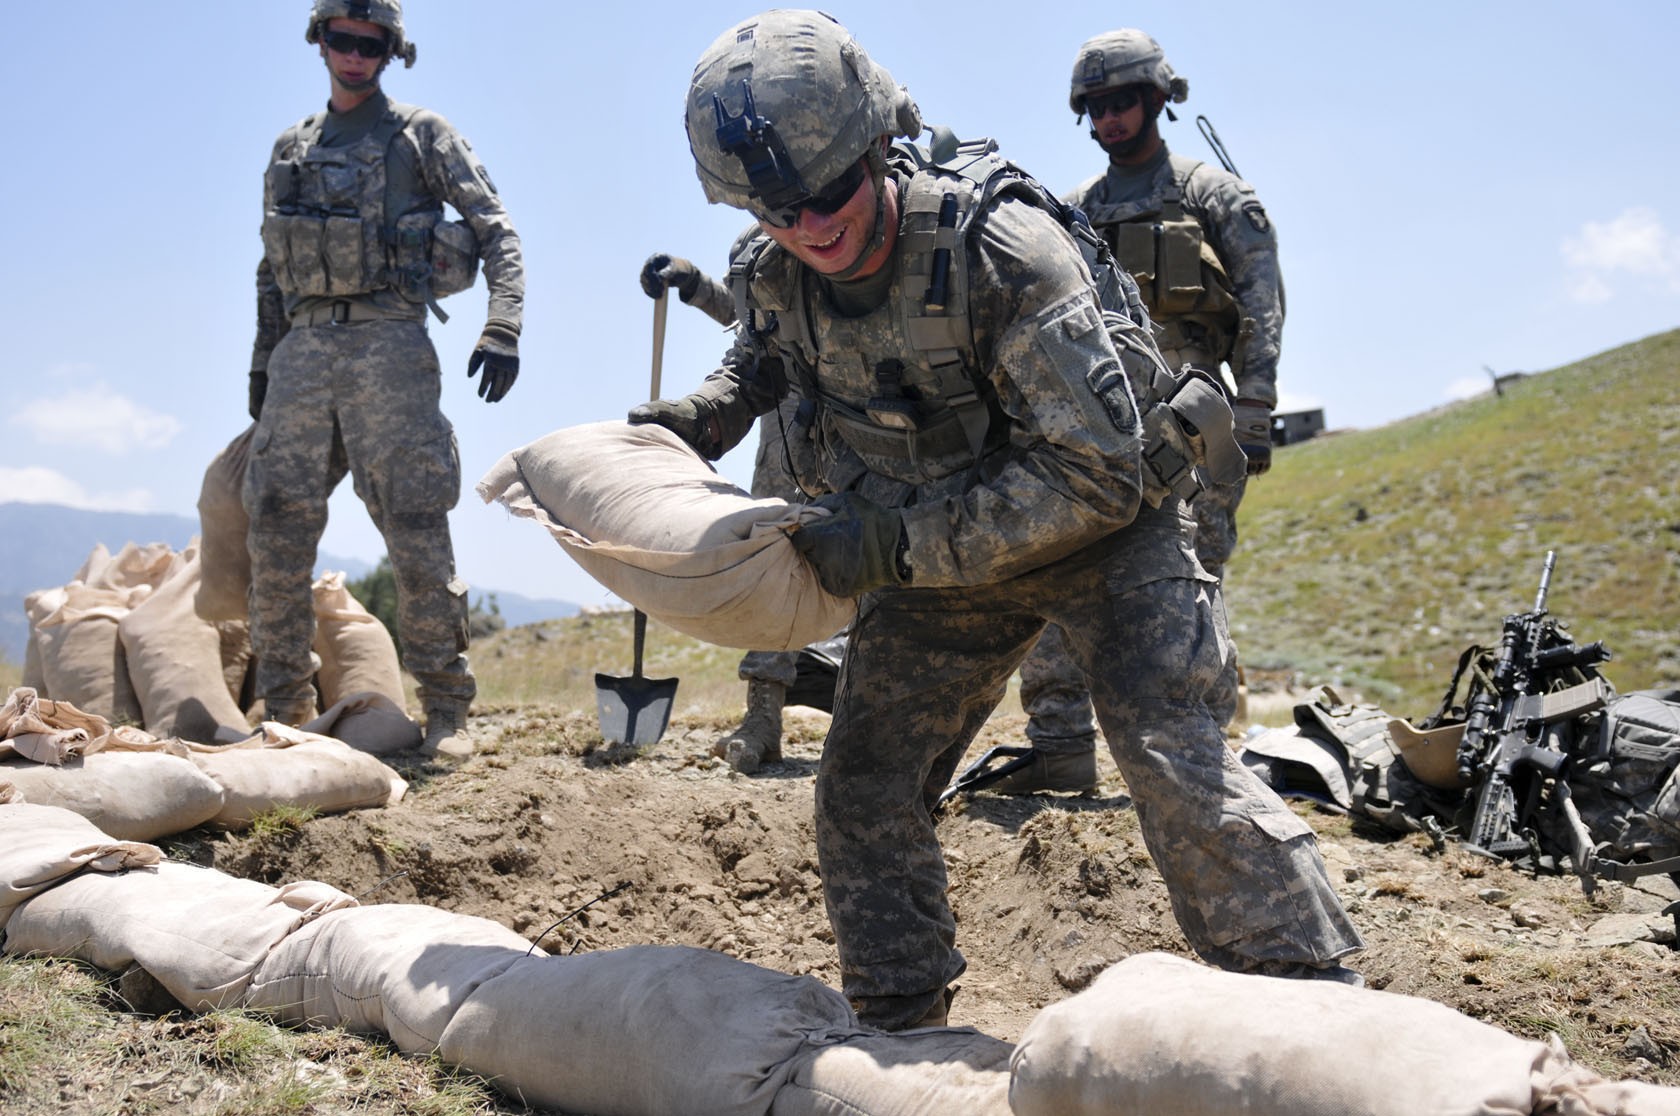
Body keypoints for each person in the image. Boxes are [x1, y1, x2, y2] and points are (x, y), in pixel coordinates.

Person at [631, 10, 1360, 1031]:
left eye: (831, 190)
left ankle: (1316, 1013)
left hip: (1103, 536)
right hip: (938, 557)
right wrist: (701, 416)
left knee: (1171, 757)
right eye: (776, 206)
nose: (811, 225)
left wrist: (887, 545)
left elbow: (1095, 477)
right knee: (865, 784)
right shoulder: (772, 267)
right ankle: (898, 1026)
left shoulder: (1003, 254)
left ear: (877, 145)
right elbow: (758, 354)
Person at [994, 28, 1285, 795]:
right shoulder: (1076, 210)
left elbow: (1262, 302)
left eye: (1123, 100)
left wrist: (1255, 403)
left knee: (1191, 582)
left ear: (1158, 99)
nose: (1110, 118)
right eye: (1095, 106)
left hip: (1198, 422)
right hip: (1103, 424)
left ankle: (1205, 764)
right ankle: (1059, 744)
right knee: (1063, 568)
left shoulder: (1213, 196)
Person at [244, 0, 524, 758]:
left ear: (391, 51)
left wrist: (503, 325)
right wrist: (262, 368)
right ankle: (284, 711)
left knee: (414, 523)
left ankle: (446, 708)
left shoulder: (420, 136)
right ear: (321, 41)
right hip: (302, 353)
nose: (355, 55)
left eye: (372, 44)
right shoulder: (289, 148)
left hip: (390, 346)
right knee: (275, 523)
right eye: (343, 39)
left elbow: (497, 231)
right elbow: (272, 271)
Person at [640, 250, 847, 773]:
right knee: (772, 559)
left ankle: (870, 712)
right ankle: (763, 716)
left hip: (868, 402)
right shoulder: (767, 239)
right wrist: (693, 283)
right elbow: (751, 323)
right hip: (787, 414)